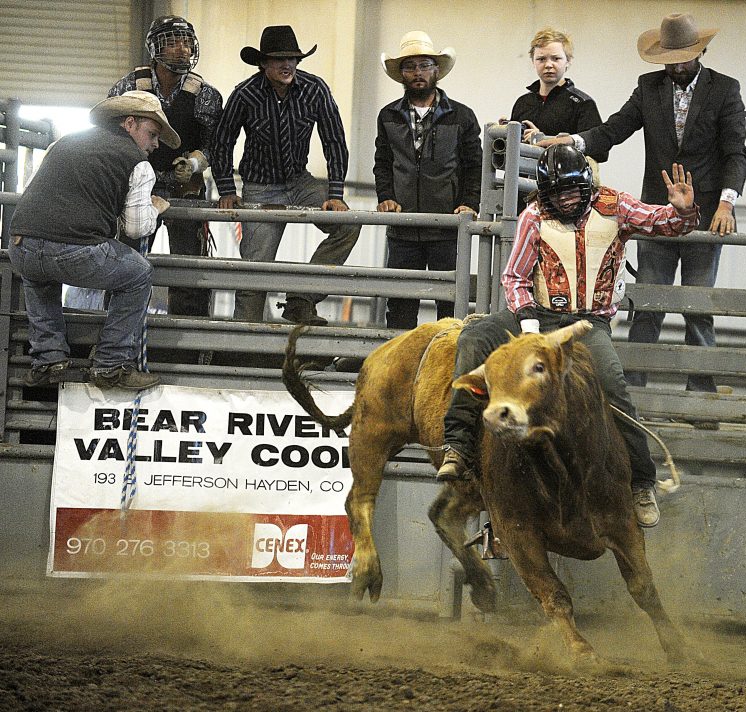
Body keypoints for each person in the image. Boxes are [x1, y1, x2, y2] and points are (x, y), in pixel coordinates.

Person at [437, 145, 700, 528]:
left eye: (572, 191)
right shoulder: (533, 217)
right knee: (475, 337)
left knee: (612, 385)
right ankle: (458, 443)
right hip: (537, 317)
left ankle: (641, 481)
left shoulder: (617, 207)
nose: (565, 200)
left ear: (587, 187)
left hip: (587, 324)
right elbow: (515, 277)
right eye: (557, 193)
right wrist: (526, 322)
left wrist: (681, 210)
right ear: (546, 193)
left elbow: (667, 225)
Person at [542, 13, 746, 396]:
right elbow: (615, 128)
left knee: (697, 305)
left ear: (701, 51)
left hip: (705, 214)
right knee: (649, 301)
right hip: (657, 211)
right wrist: (573, 142)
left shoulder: (724, 90)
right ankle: (631, 391)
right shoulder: (649, 87)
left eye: (684, 57)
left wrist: (726, 203)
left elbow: (736, 152)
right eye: (670, 59)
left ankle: (701, 392)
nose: (677, 65)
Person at [9, 91, 176, 390]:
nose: (154, 144)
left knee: (38, 277)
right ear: (129, 124)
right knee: (139, 274)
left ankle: (48, 359)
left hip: (22, 244)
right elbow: (137, 228)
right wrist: (154, 208)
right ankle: (111, 365)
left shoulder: (64, 143)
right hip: (74, 250)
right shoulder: (137, 162)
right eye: (152, 134)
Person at [211, 25, 361, 326]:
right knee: (255, 268)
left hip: (299, 180)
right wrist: (227, 188)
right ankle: (244, 341)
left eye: (292, 58)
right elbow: (222, 140)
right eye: (279, 59)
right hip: (259, 186)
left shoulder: (314, 89)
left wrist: (335, 194)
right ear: (263, 63)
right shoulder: (245, 94)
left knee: (347, 226)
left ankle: (301, 299)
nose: (287, 65)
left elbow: (334, 139)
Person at [108, 14, 223, 317]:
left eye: (186, 42)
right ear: (155, 47)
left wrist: (196, 163)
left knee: (189, 272)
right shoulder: (128, 89)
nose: (181, 49)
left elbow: (216, 145)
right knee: (126, 261)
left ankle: (187, 347)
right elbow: (109, 135)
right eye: (172, 42)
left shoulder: (206, 96)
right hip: (137, 188)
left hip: (186, 190)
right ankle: (116, 331)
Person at [374, 31, 482, 329]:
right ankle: (400, 369)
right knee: (399, 304)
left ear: (436, 70)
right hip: (403, 225)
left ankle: (444, 368)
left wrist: (469, 203)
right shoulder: (387, 116)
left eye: (424, 65)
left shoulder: (463, 116)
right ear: (402, 74)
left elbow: (475, 166)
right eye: (410, 67)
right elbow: (382, 163)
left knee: (449, 304)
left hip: (447, 225)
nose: (418, 73)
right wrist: (385, 195)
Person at [510, 27, 606, 159]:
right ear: (533, 62)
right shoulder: (523, 102)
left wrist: (544, 139)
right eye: (541, 59)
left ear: (568, 62)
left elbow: (600, 153)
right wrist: (506, 133)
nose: (548, 65)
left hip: (563, 177)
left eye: (556, 59)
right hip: (523, 177)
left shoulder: (583, 104)